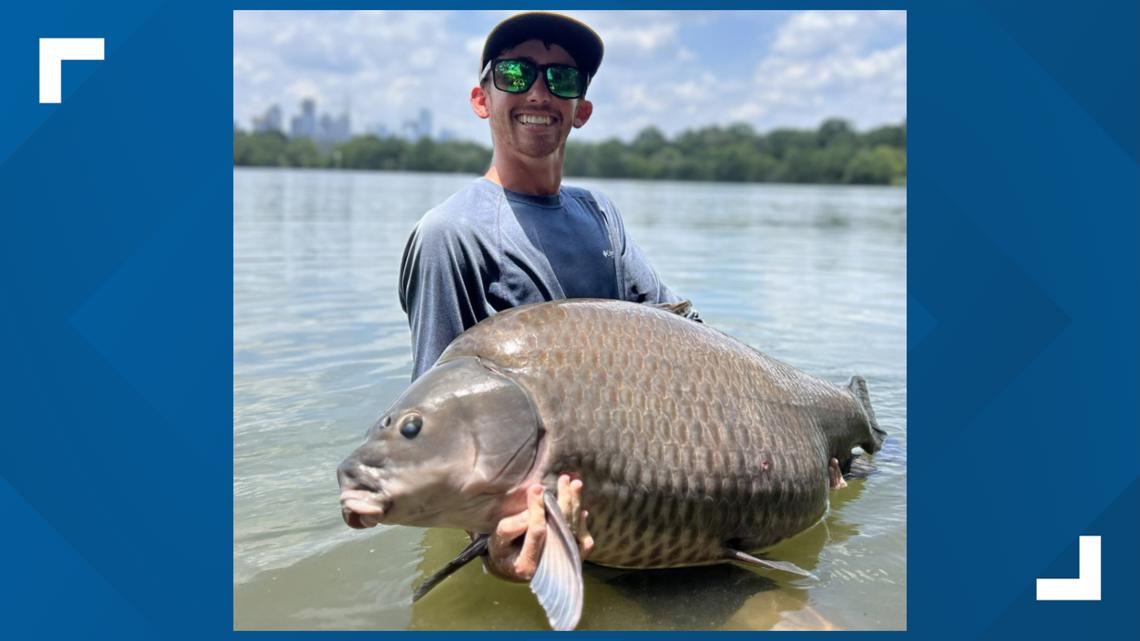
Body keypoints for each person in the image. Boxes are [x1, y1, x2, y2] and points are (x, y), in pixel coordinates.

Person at [398, 12, 697, 584]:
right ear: (481, 100)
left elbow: (684, 334)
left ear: (580, 110)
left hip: (650, 507)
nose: (538, 90)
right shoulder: (451, 235)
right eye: (515, 72)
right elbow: (439, 426)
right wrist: (492, 545)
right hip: (551, 529)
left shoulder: (600, 214)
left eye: (561, 79)